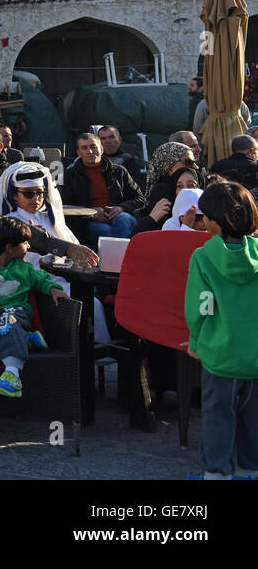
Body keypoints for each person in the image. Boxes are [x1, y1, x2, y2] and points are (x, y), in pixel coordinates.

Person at [184, 181, 258, 479]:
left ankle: (217, 473)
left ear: (213, 222)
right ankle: (250, 469)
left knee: (217, 416)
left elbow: (199, 309)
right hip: (255, 357)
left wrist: (195, 340)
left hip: (220, 356)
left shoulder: (202, 257)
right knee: (253, 418)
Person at [0, 216, 69, 398]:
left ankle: (12, 376)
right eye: (25, 242)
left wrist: (53, 288)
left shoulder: (22, 268)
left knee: (8, 319)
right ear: (9, 248)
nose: (29, 247)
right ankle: (23, 341)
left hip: (15, 314)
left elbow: (40, 279)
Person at [60, 132, 144, 245]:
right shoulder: (70, 175)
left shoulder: (119, 171)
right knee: (107, 232)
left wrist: (121, 208)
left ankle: (116, 258)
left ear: (101, 149)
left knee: (123, 219)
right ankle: (124, 258)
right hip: (89, 222)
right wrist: (91, 212)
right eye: (84, 148)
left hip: (120, 217)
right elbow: (65, 205)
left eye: (93, 146)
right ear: (78, 153)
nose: (90, 151)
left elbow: (139, 198)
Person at [135, 165, 207, 234]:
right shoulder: (170, 223)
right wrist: (152, 218)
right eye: (179, 186)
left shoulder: (210, 215)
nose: (185, 190)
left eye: (191, 185)